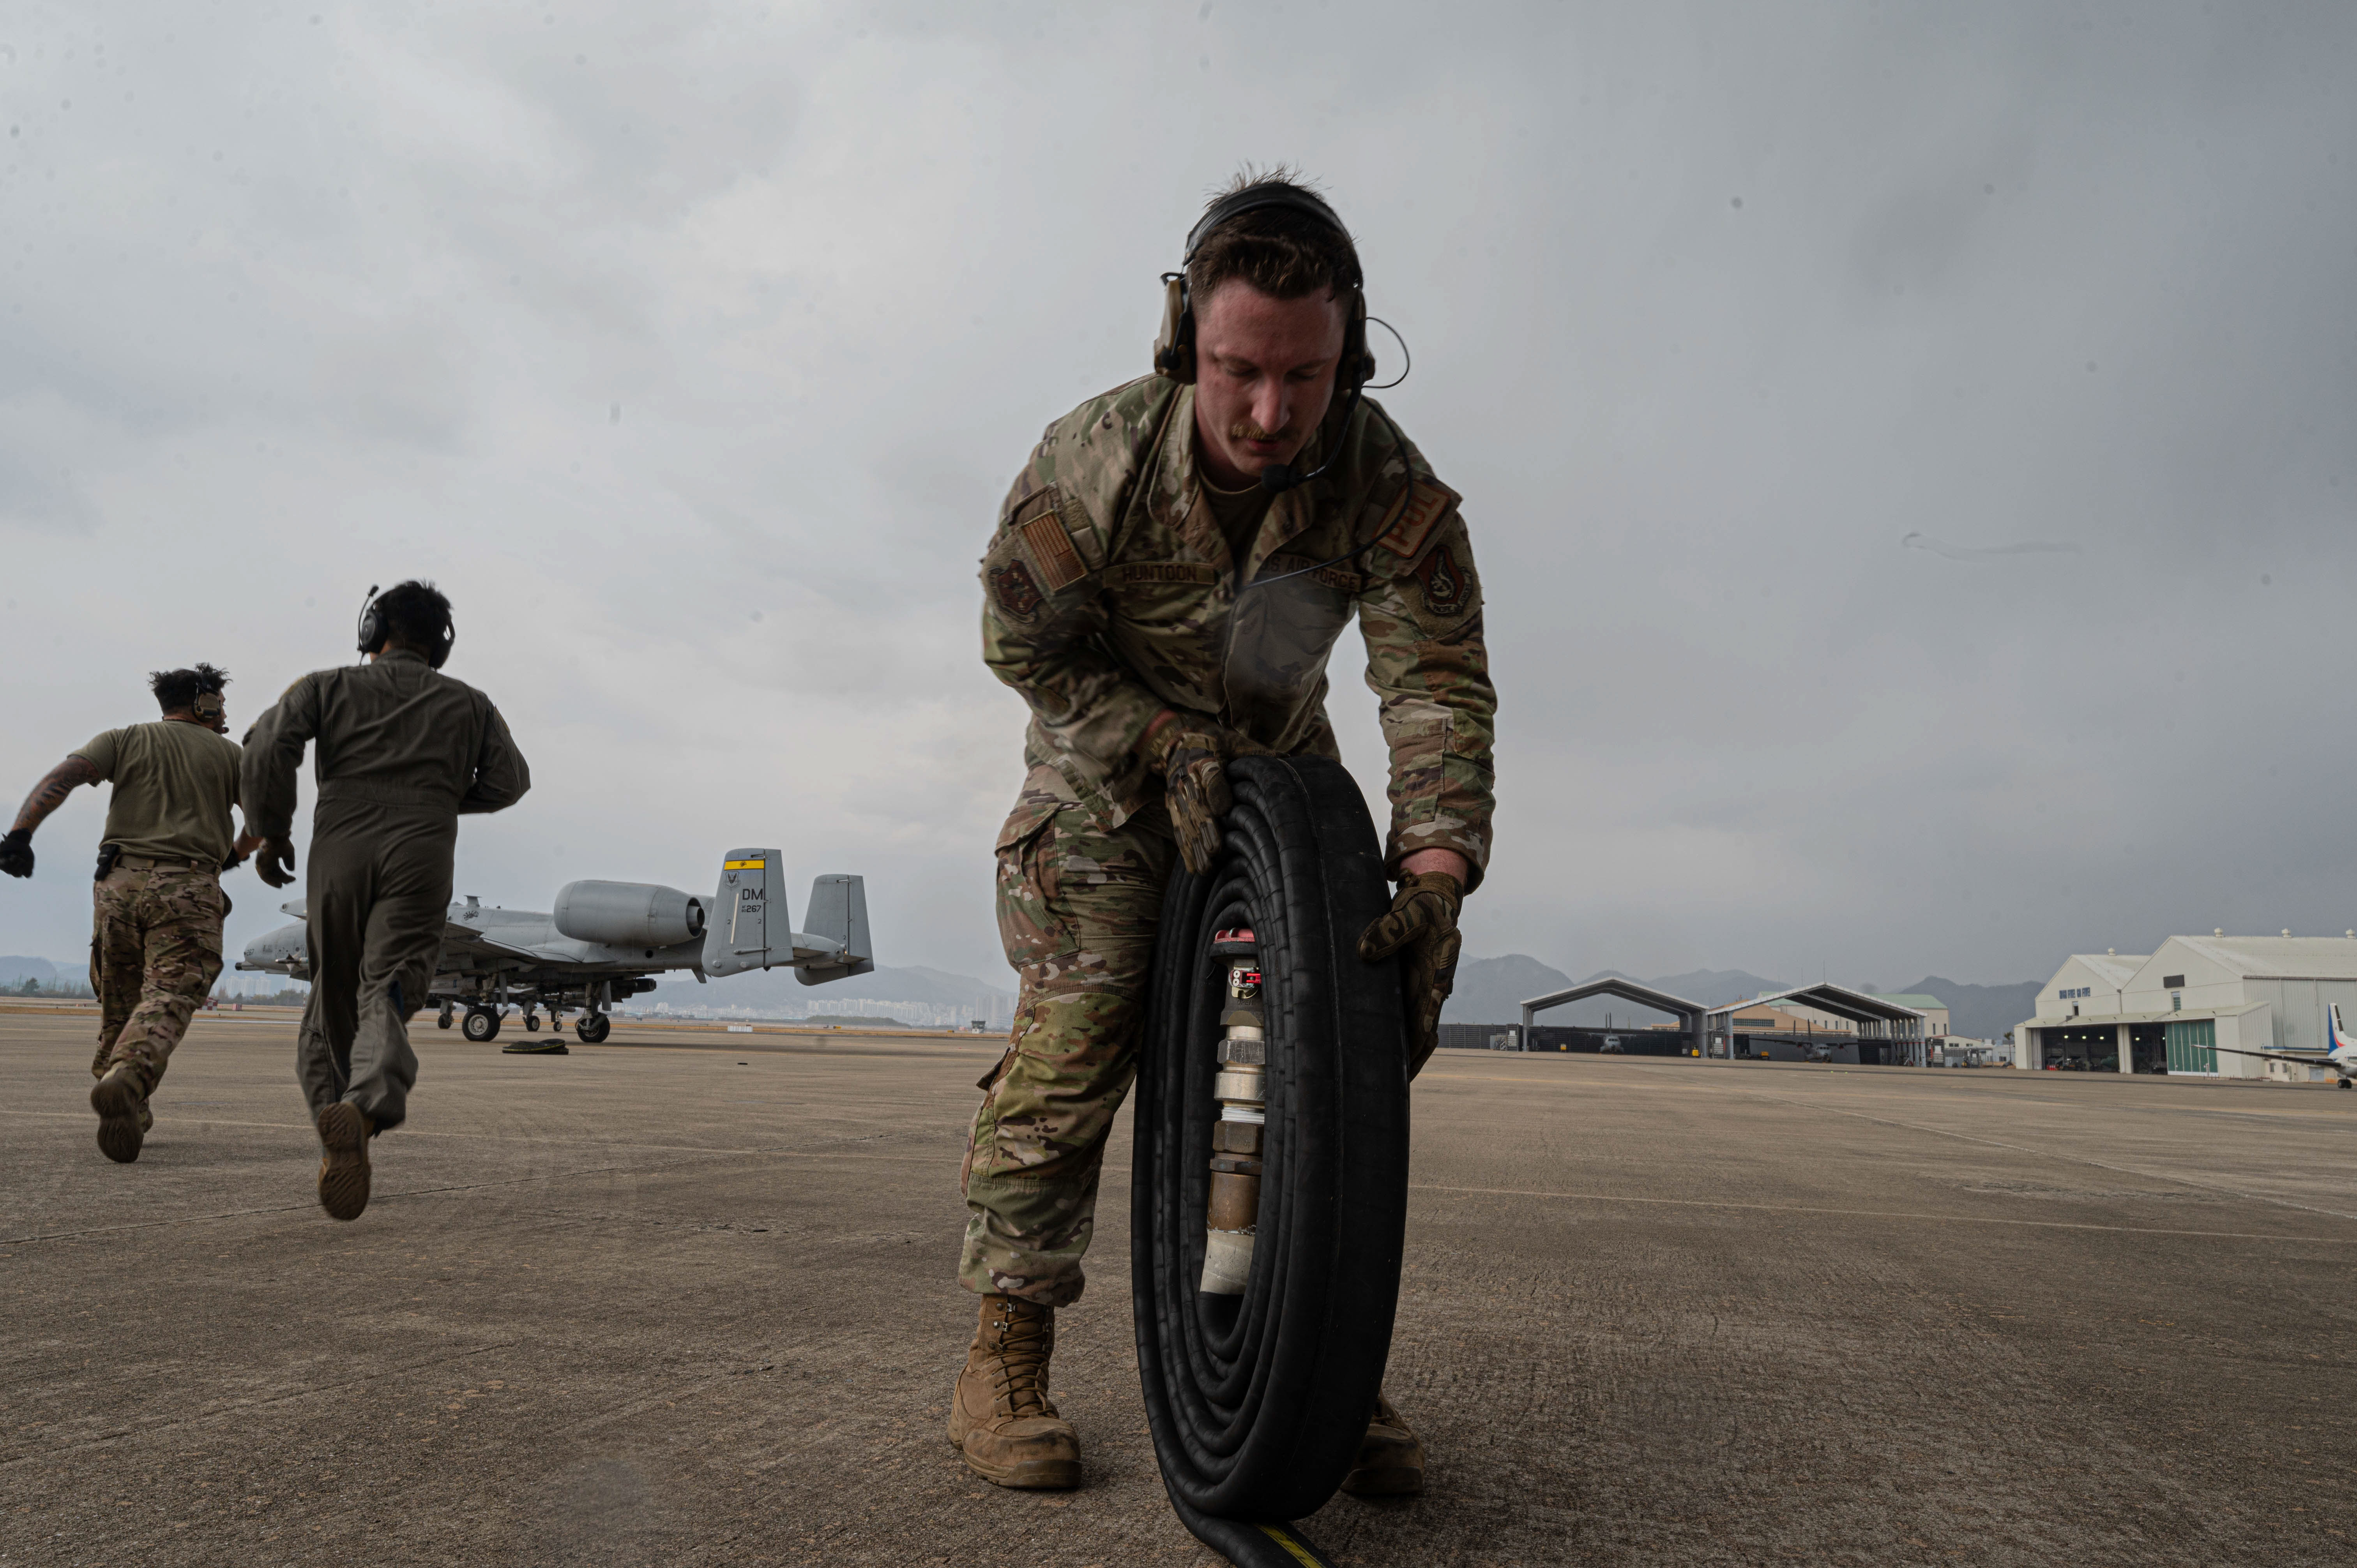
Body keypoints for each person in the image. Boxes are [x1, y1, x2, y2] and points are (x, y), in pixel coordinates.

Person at [952, 172, 1496, 1495]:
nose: (1268, 412)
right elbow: (1021, 643)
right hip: (1107, 790)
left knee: (1323, 1070)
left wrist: (1430, 875)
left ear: (1350, 353)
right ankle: (1002, 1352)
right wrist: (1152, 742)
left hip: (1275, 789)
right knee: (1075, 1056)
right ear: (1182, 342)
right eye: (1235, 370)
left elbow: (1431, 679)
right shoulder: (1095, 461)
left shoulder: (1382, 479)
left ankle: (1307, 1350)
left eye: (1304, 376)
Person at [242, 581, 530, 1221]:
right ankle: (366, 1108)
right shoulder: (472, 703)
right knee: (388, 986)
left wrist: (272, 832)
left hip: (338, 849)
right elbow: (512, 780)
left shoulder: (324, 686)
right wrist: (436, 794)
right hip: (422, 854)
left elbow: (266, 747)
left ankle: (333, 1126)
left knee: (331, 991)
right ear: (442, 645)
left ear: (374, 631)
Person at [0, 664, 259, 1163]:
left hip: (117, 885)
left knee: (121, 1001)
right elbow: (262, 822)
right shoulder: (232, 756)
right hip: (185, 885)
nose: (224, 712)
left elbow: (66, 776)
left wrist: (20, 835)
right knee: (171, 991)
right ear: (204, 703)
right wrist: (236, 854)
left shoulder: (123, 739)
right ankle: (126, 1077)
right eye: (220, 703)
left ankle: (130, 1108)